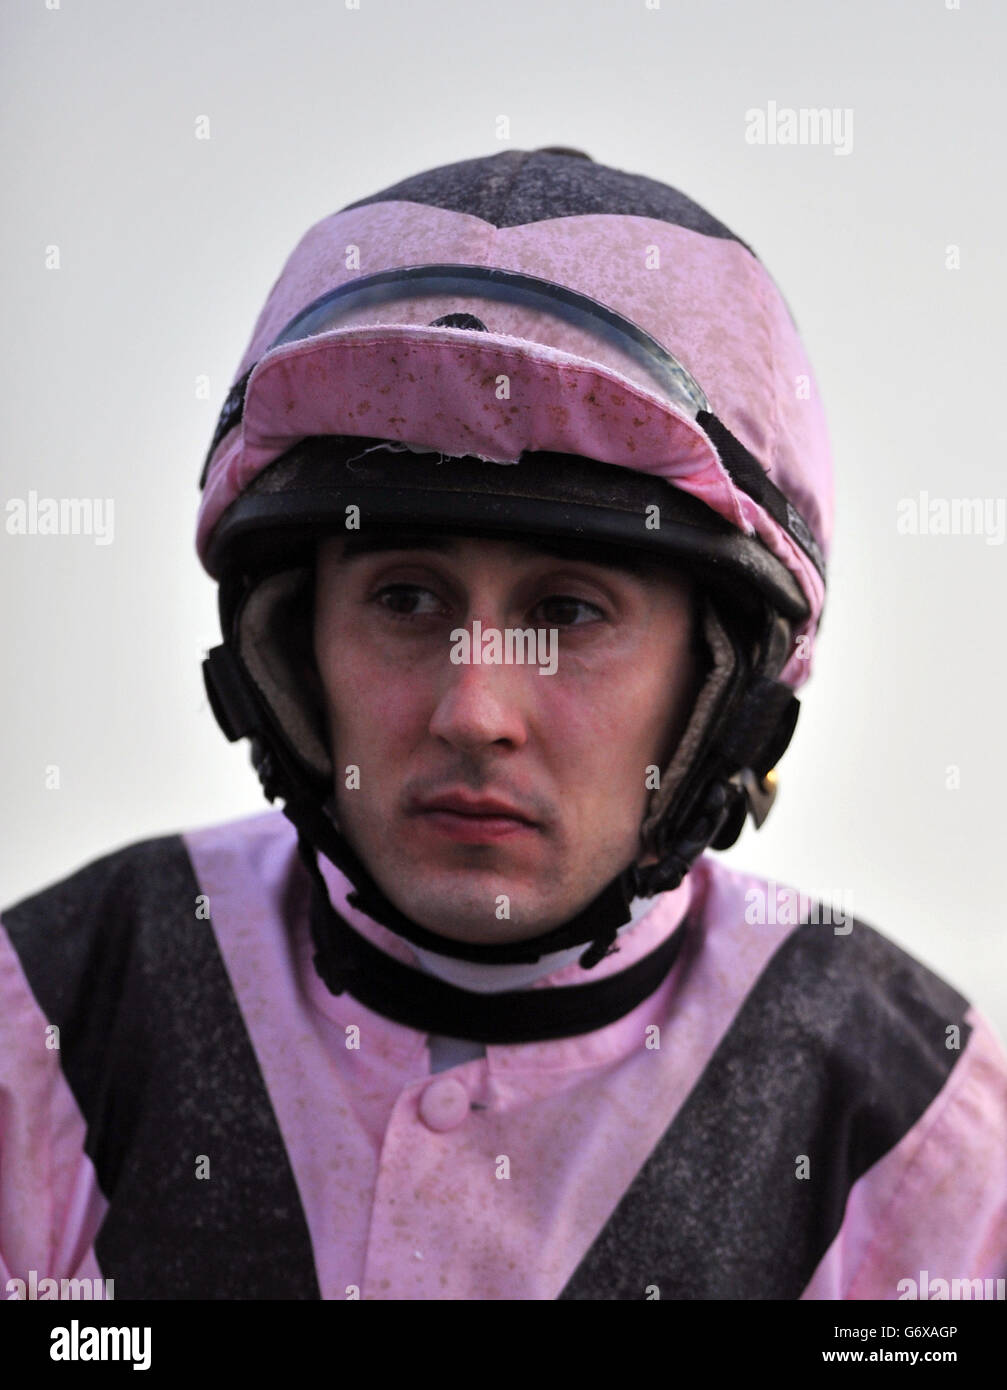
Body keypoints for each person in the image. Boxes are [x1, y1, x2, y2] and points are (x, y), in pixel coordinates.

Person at [2, 148, 1005, 1302]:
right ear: (288, 641)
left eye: (568, 612)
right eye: (405, 599)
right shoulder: (49, 1022)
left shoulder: (911, 1128)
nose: (473, 711)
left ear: (717, 686)